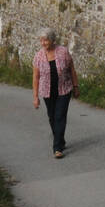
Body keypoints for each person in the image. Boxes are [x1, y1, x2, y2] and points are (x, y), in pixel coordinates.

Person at [32, 28, 78, 159]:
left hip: (64, 89)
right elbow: (35, 77)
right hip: (47, 92)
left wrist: (76, 86)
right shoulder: (38, 57)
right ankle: (60, 140)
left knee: (59, 116)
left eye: (45, 40)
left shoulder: (63, 52)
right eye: (41, 40)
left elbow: (72, 70)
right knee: (52, 117)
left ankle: (57, 148)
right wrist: (35, 97)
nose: (43, 43)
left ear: (52, 40)